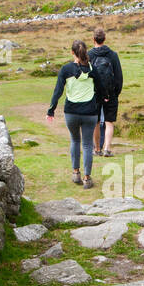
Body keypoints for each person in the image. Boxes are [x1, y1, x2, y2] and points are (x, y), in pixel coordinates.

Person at [46, 40, 101, 188]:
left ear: (72, 52)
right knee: (88, 144)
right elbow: (101, 89)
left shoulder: (65, 69)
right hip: (90, 113)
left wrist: (51, 110)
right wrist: (103, 99)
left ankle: (76, 173)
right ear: (86, 53)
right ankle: (87, 178)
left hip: (71, 112)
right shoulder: (93, 70)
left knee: (75, 141)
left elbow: (58, 91)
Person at [87, 28, 123, 157]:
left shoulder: (89, 55)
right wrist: (116, 92)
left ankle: (97, 149)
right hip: (111, 93)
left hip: (94, 94)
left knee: (95, 122)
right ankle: (107, 149)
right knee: (109, 122)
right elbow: (118, 76)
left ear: (94, 39)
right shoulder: (113, 55)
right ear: (104, 39)